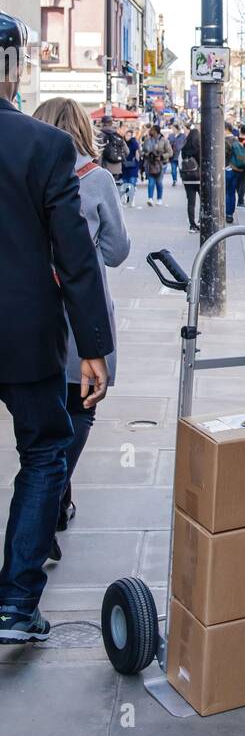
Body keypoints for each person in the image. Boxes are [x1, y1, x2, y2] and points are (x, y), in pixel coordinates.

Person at [0, 15, 112, 644]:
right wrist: (93, 347)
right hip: (25, 336)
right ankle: (15, 601)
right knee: (44, 453)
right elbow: (76, 256)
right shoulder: (44, 148)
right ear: (13, 68)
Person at [33, 98, 131, 556]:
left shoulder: (20, 170)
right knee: (80, 410)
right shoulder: (95, 180)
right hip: (79, 319)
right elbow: (115, 251)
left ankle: (57, 499)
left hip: (28, 318)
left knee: (40, 420)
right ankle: (47, 507)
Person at [142, 124, 172, 206]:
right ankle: (150, 198)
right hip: (149, 164)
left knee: (159, 182)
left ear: (156, 131)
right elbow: (143, 151)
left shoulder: (164, 140)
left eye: (151, 130)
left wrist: (161, 157)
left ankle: (159, 199)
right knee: (151, 182)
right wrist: (146, 154)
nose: (150, 131)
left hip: (161, 164)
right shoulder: (147, 140)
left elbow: (170, 152)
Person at [224, 126, 245, 224]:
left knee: (226, 192)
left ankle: (226, 213)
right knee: (232, 192)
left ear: (226, 130)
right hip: (237, 170)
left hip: (228, 169)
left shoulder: (225, 141)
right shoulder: (236, 140)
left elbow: (224, 155)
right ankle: (230, 214)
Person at [181, 124, 202, 232]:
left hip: (187, 178)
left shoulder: (185, 148)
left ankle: (192, 225)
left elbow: (183, 160)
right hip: (198, 177)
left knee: (191, 202)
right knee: (203, 200)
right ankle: (201, 220)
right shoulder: (199, 148)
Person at [100, 115, 128, 186]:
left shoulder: (100, 134)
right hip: (117, 168)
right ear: (111, 123)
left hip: (104, 167)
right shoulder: (117, 135)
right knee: (115, 187)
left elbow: (97, 152)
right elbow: (127, 151)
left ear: (103, 123)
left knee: (105, 188)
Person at [120, 127, 141, 207]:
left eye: (129, 135)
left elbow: (137, 154)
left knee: (132, 182)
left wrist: (138, 166)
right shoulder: (122, 142)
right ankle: (127, 197)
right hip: (124, 166)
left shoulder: (134, 143)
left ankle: (132, 199)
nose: (128, 136)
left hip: (133, 166)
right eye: (127, 135)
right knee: (125, 183)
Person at [236, 126, 245, 208]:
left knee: (238, 183)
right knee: (243, 183)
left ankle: (240, 199)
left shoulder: (236, 141)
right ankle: (240, 201)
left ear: (240, 131)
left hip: (235, 165)